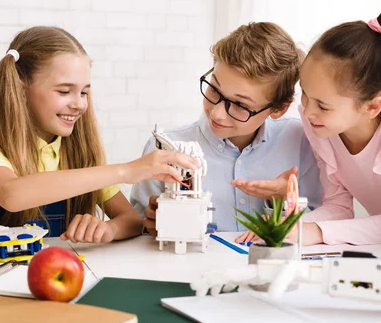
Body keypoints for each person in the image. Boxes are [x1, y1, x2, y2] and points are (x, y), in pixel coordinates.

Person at [0, 26, 198, 244]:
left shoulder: (79, 152)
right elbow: (11, 195)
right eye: (65, 91)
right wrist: (127, 170)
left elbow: (132, 220)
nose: (79, 104)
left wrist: (109, 229)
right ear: (21, 89)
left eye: (84, 92)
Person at [239, 11, 381, 246]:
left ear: (372, 106)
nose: (308, 111)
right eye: (305, 93)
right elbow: (338, 207)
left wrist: (315, 232)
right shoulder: (323, 127)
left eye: (323, 105)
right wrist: (290, 226)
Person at [131, 22, 322, 235]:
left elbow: (322, 222)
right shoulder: (165, 149)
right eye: (214, 89)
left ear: (278, 108)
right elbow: (137, 228)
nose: (217, 113)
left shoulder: (302, 142)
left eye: (241, 105)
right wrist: (149, 225)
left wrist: (284, 200)